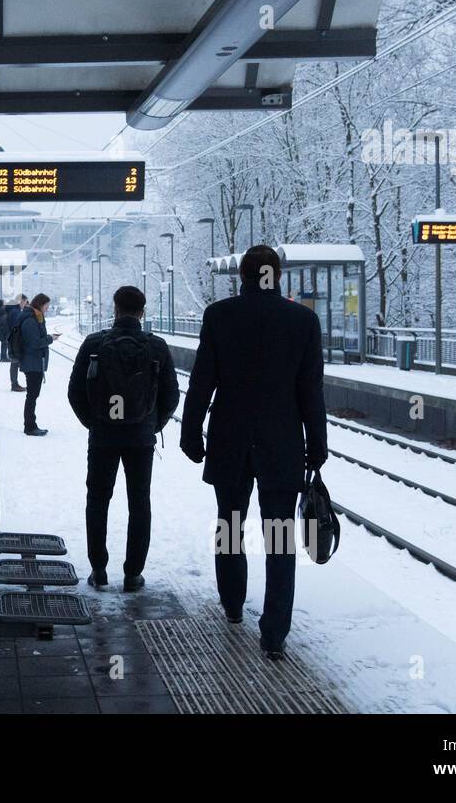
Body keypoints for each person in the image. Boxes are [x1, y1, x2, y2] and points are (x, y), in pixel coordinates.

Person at [180, 244, 328, 660]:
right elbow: (310, 392)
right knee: (279, 537)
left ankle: (232, 603)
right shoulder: (303, 321)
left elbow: (201, 381)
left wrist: (191, 432)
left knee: (229, 524)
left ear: (241, 276)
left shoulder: (220, 316)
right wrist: (317, 445)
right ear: (276, 275)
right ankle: (275, 632)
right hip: (281, 445)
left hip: (229, 441)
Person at [67, 285, 179, 593]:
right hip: (141, 439)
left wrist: (94, 422)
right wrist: (151, 425)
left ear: (115, 309)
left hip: (103, 436)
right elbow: (171, 395)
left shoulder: (94, 343)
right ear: (143, 312)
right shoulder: (156, 347)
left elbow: (75, 392)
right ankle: (133, 574)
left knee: (98, 499)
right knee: (139, 501)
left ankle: (99, 569)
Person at [16, 293, 59, 435]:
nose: (48, 308)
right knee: (32, 396)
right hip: (32, 363)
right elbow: (34, 343)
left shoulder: (37, 318)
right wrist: (50, 338)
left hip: (35, 362)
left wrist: (47, 338)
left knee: (33, 395)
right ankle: (29, 426)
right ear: (40, 304)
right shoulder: (30, 320)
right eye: (46, 305)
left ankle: (30, 424)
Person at [5, 294, 28, 391]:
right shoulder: (16, 312)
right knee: (15, 361)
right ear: (20, 301)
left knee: (15, 361)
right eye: (25, 302)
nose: (26, 304)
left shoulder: (13, 310)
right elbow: (16, 326)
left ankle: (14, 383)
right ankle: (14, 384)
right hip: (14, 339)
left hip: (13, 337)